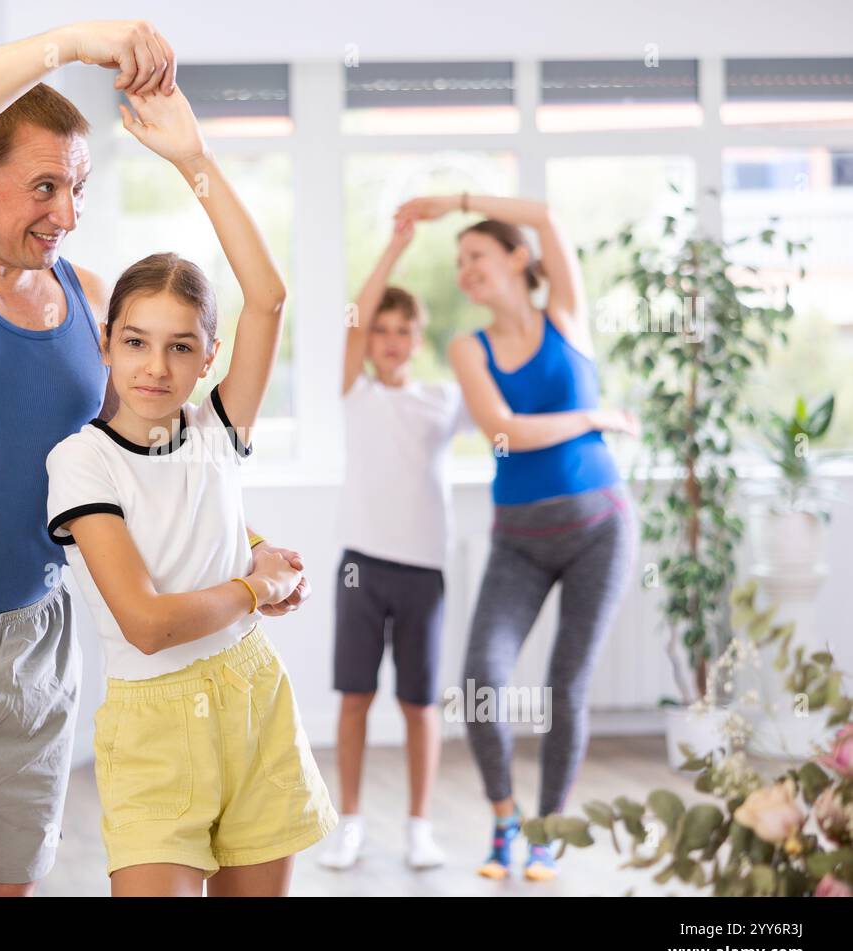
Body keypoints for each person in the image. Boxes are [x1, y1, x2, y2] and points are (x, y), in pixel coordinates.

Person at [0, 20, 309, 897]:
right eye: (45, 186)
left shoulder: (91, 303)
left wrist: (252, 547)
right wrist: (76, 42)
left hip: (31, 655)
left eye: (76, 187)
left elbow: (168, 463)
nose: (68, 214)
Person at [45, 83, 338, 897]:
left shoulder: (216, 429)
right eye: (135, 341)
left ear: (208, 356)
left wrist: (193, 161)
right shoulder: (80, 462)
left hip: (253, 701)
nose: (155, 366)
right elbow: (145, 624)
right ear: (105, 344)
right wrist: (257, 583)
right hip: (152, 728)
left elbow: (269, 297)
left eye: (181, 347)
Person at [396, 192, 638, 881]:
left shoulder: (567, 317)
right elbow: (503, 430)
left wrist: (461, 201)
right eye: (459, 259)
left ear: (516, 258)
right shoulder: (467, 346)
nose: (465, 268)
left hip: (600, 529)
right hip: (521, 540)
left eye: (476, 254)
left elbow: (548, 215)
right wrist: (594, 416)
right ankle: (505, 817)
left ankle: (546, 829)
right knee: (481, 679)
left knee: (568, 683)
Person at [319, 215, 471, 872]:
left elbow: (506, 408)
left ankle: (419, 826)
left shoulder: (444, 400)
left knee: (418, 703)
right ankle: (349, 822)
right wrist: (397, 244)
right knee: (355, 697)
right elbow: (353, 319)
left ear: (417, 338)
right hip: (362, 565)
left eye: (401, 329)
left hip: (424, 573)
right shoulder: (356, 392)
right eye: (380, 328)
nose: (387, 338)